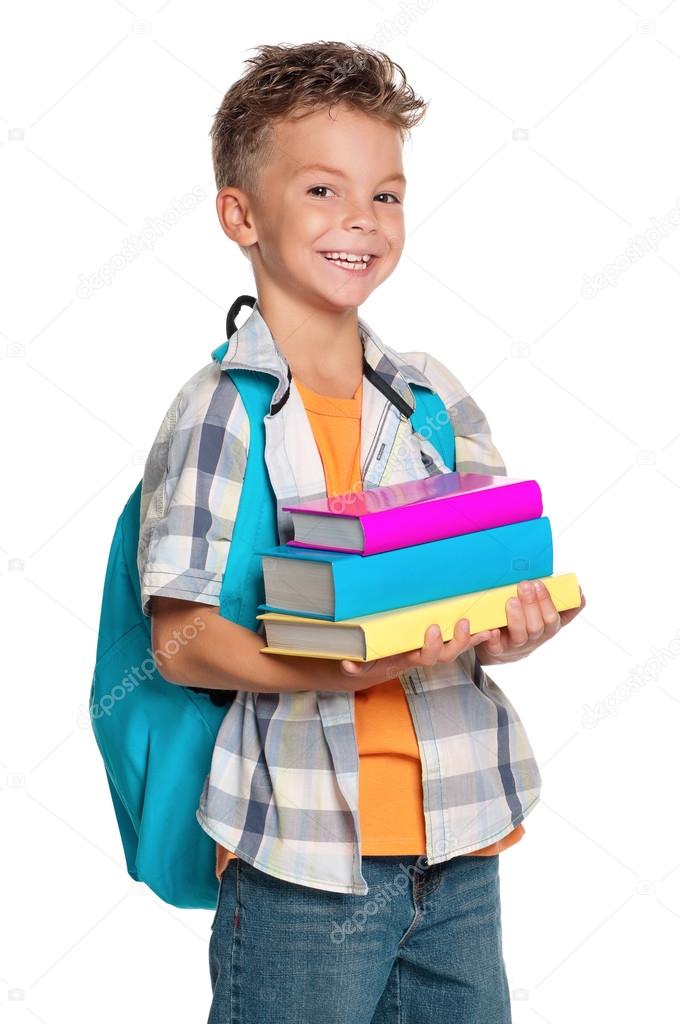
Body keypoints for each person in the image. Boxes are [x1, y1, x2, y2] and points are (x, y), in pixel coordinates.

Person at [137, 40, 585, 1024]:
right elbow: (176, 639)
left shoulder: (430, 396)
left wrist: (511, 622)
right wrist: (326, 669)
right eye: (321, 191)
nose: (360, 222)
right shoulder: (224, 408)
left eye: (384, 195)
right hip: (301, 855)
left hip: (461, 838)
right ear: (239, 214)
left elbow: (486, 563)